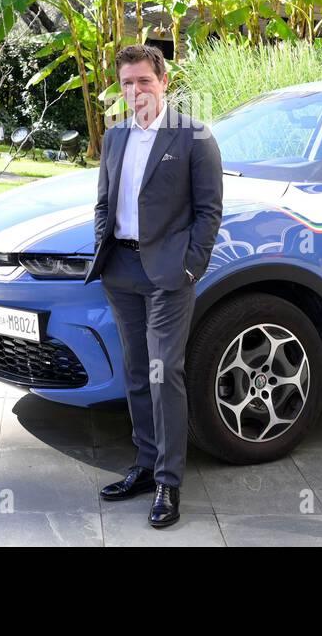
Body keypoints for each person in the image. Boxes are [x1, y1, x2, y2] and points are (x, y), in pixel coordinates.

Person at [83, 43, 223, 528]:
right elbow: (104, 201)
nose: (135, 90)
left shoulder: (194, 136)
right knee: (138, 372)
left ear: (163, 81)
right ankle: (144, 466)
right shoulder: (115, 136)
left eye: (143, 80)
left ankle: (169, 481)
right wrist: (104, 243)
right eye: (126, 83)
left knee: (165, 373)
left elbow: (209, 212)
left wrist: (189, 268)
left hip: (168, 276)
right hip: (121, 270)